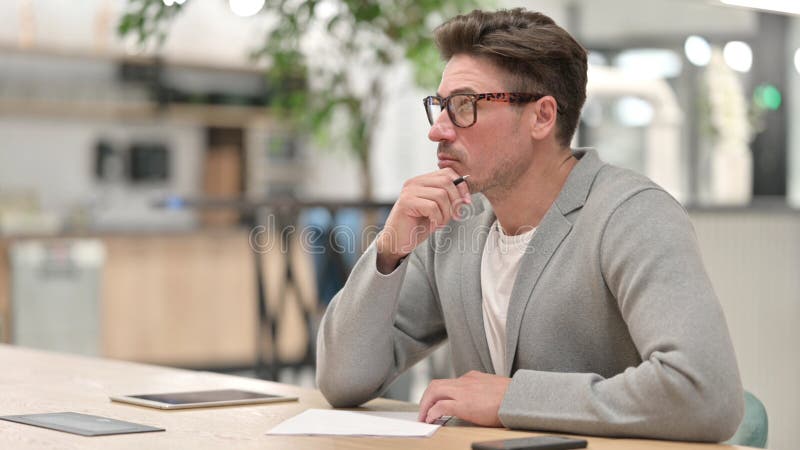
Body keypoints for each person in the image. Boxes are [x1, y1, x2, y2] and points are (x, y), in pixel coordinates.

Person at [315, 8, 744, 442]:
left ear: (541, 116)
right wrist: (390, 250)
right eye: (440, 106)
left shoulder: (634, 215)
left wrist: (512, 399)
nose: (438, 130)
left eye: (465, 106)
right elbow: (343, 381)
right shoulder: (454, 224)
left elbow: (705, 393)